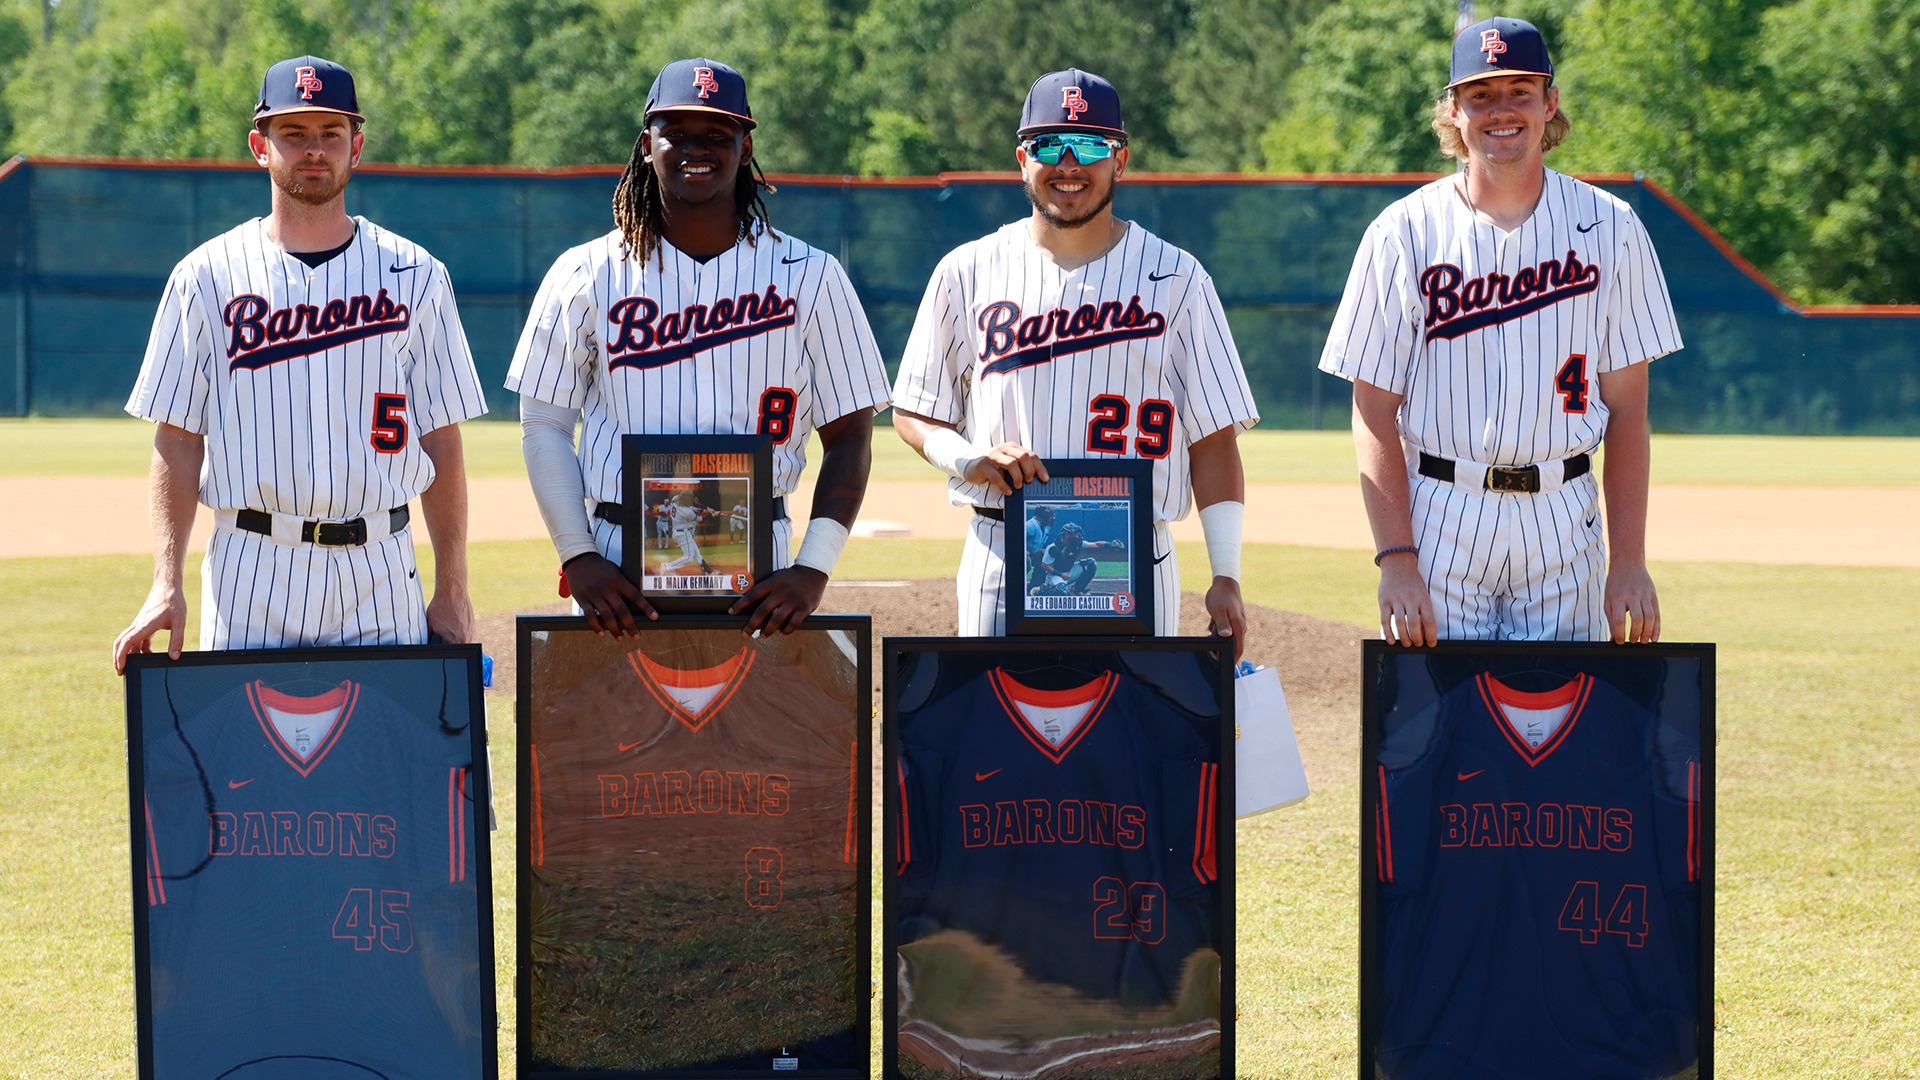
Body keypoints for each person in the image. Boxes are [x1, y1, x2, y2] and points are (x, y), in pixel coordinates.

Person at [112, 55, 487, 673]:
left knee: (383, 763)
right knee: (247, 764)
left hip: (381, 562)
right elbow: (177, 439)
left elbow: (441, 440)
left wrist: (452, 587)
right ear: (260, 145)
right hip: (252, 565)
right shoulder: (206, 276)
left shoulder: (417, 274)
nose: (314, 150)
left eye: (330, 134)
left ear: (356, 147)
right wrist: (165, 580)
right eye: (294, 133)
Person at [1320, 17, 1680, 647]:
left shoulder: (1612, 228)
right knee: (1439, 729)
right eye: (1481, 95)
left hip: (1564, 514)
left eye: (1519, 90)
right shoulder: (1403, 232)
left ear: (1550, 102)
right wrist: (1396, 560)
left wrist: (1628, 560)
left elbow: (1628, 410)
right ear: (1453, 112)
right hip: (1441, 511)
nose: (1502, 110)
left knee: (1560, 723)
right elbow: (1373, 411)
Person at [507, 58, 891, 638]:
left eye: (717, 134)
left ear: (745, 145)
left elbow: (850, 433)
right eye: (676, 133)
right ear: (645, 145)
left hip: (763, 561)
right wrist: (577, 556)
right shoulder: (585, 273)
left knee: (752, 730)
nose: (697, 148)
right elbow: (544, 424)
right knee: (621, 731)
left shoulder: (811, 275)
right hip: (616, 560)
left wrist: (813, 568)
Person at [891, 69, 1259, 657]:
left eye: (1090, 146)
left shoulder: (1178, 278)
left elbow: (1213, 439)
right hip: (1003, 547)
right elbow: (914, 411)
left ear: (1121, 159)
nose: (1068, 164)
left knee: (1134, 742)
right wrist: (966, 458)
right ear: (1021, 158)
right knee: (1000, 739)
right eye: (1048, 146)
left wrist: (1227, 574)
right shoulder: (967, 271)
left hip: (1138, 552)